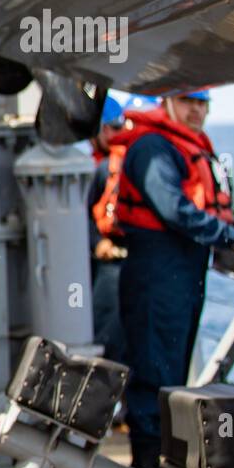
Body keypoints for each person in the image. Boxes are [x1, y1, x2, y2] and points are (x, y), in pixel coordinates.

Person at [112, 89, 234, 468]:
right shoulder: (153, 147)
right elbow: (172, 207)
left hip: (182, 271)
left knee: (172, 363)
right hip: (157, 270)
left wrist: (233, 225)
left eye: (203, 103)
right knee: (155, 366)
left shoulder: (186, 144)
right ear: (167, 102)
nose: (197, 110)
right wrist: (232, 237)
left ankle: (163, 463)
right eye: (189, 101)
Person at [87, 93, 130, 364]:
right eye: (112, 128)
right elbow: (79, 214)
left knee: (120, 337)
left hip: (116, 261)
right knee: (104, 334)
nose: (115, 135)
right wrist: (97, 242)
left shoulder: (112, 165)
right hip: (99, 266)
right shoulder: (91, 167)